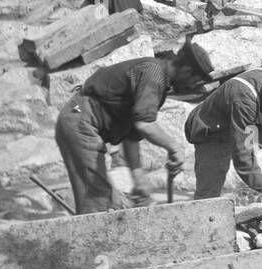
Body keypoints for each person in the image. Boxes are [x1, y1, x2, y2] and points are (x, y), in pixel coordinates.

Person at [54, 54, 190, 214]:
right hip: (80, 119)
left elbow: (132, 136)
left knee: (103, 199)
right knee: (98, 201)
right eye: (194, 80)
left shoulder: (156, 79)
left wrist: (138, 176)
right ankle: (96, 237)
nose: (193, 85)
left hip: (79, 121)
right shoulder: (153, 73)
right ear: (186, 70)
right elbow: (145, 124)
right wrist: (174, 147)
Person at [183, 66, 262, 199]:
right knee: (208, 198)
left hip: (244, 124)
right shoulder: (244, 99)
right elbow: (243, 158)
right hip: (212, 133)